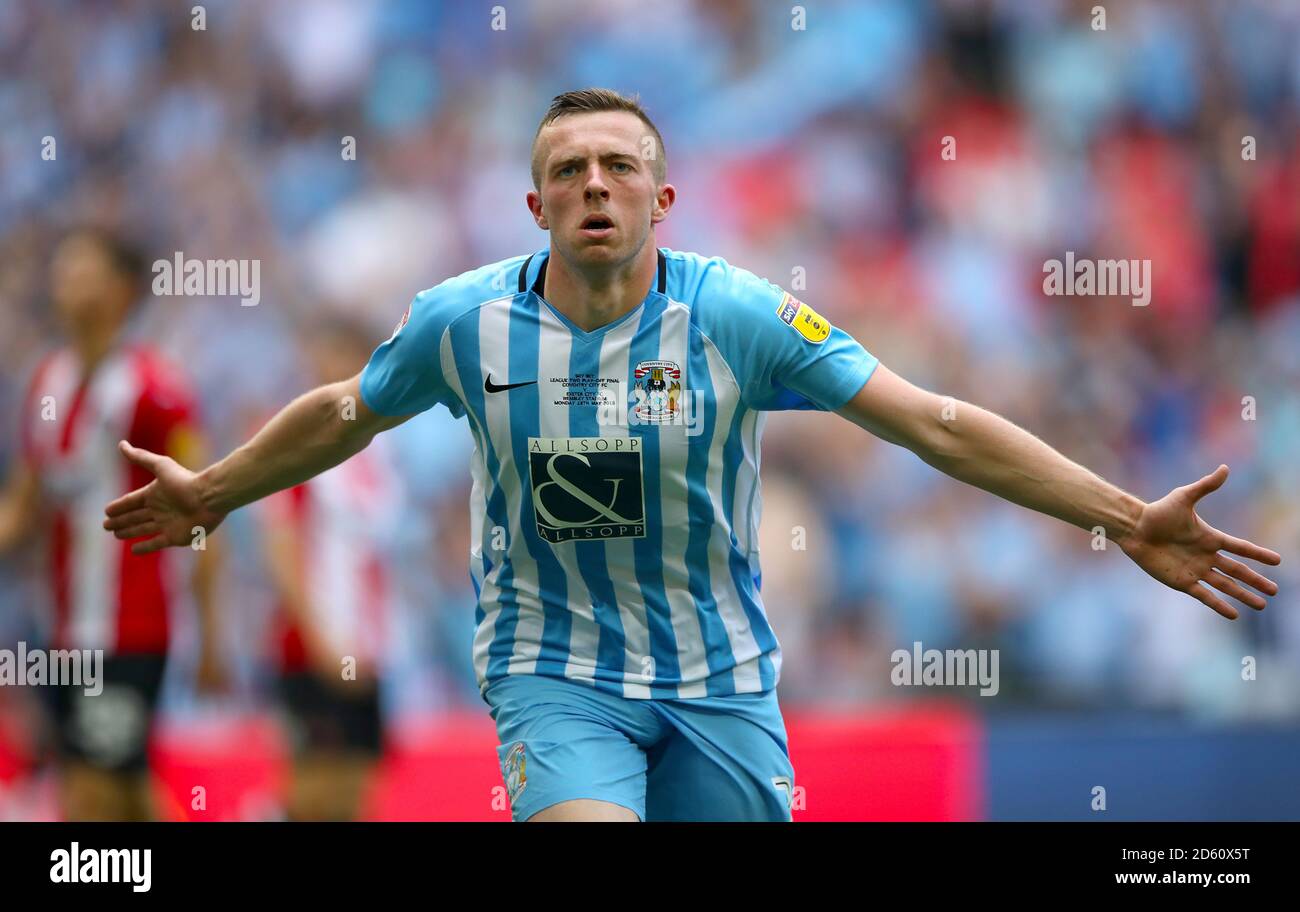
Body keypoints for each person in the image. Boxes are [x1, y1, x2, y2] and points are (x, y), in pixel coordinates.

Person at [102, 89, 1282, 822]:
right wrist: (213, 491)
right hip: (549, 669)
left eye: (618, 167)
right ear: (534, 205)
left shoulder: (739, 317)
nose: (595, 185)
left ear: (664, 197)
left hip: (719, 674)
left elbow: (935, 422)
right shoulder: (462, 322)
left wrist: (1121, 514)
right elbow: (344, 411)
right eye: (569, 170)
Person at [0, 227, 223, 821]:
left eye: (82, 268)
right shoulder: (46, 382)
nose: (65, 279)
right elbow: (22, 507)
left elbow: (205, 504)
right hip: (64, 630)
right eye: (63, 267)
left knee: (98, 795)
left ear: (122, 289)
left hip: (133, 628)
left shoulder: (157, 388)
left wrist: (212, 632)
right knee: (101, 792)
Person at [257, 318, 403, 821]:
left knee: (354, 792)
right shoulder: (300, 441)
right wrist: (320, 639)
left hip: (368, 646)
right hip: (312, 644)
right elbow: (281, 544)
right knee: (312, 791)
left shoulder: (379, 449)